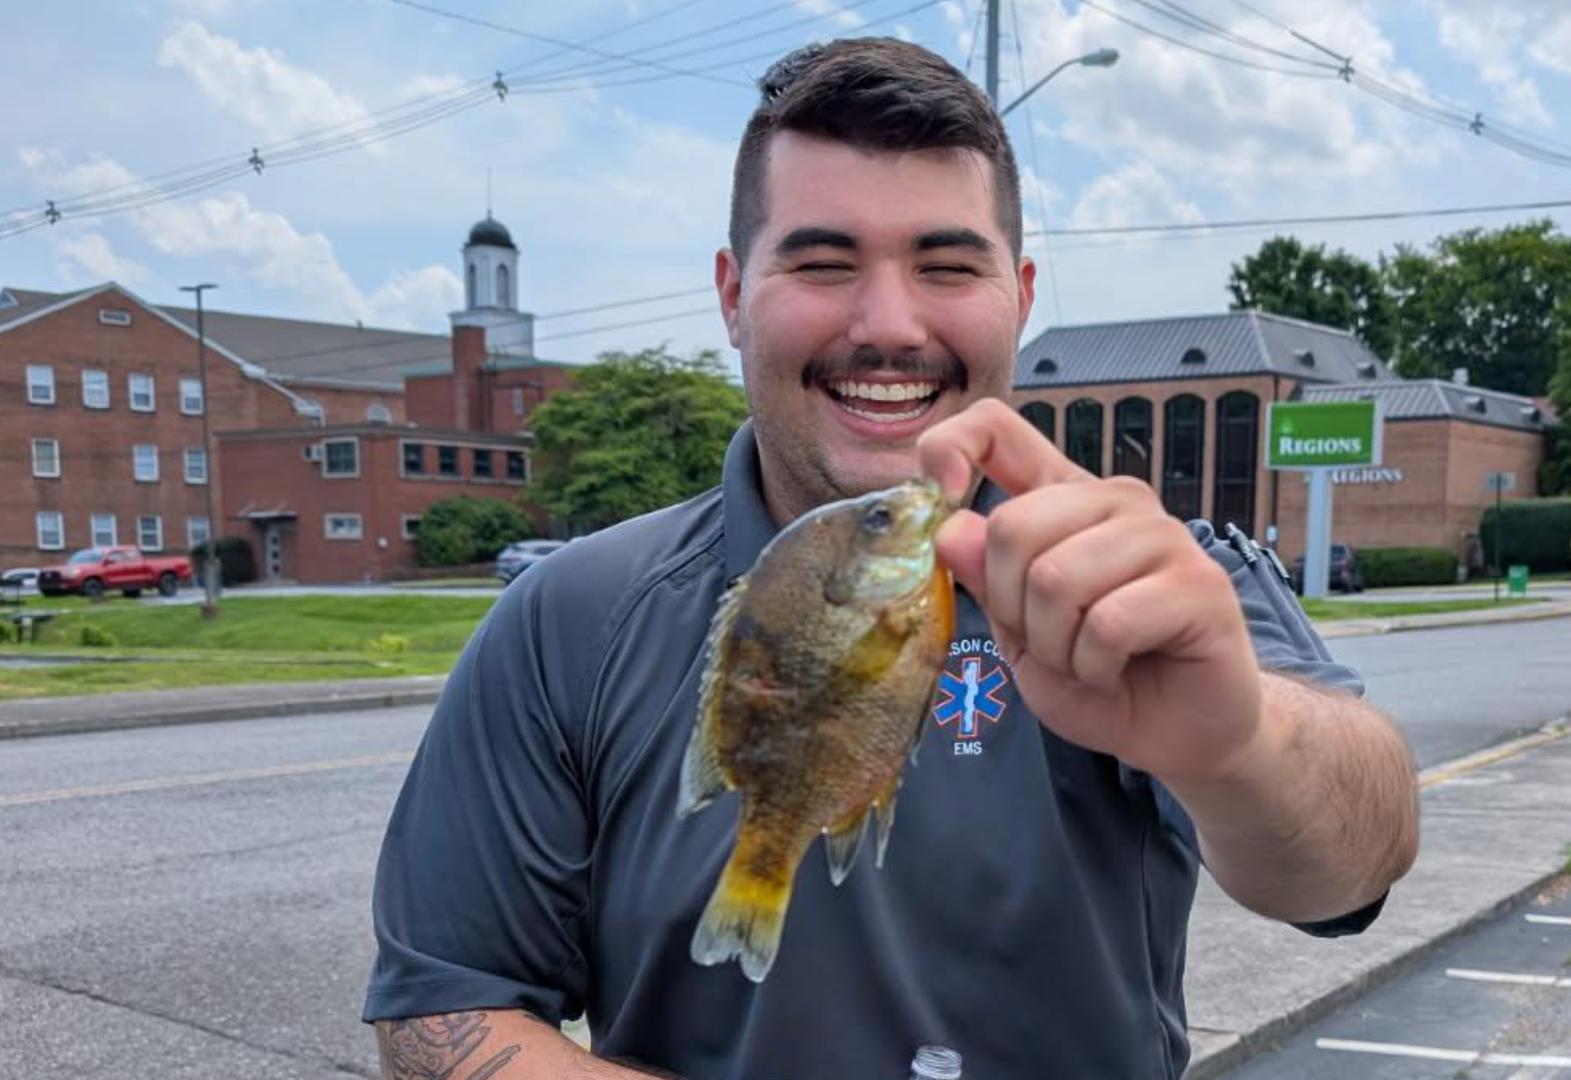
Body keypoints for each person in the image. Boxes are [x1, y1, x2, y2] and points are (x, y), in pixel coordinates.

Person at [364, 36, 1418, 1080]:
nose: (888, 323)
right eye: (822, 263)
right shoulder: (569, 619)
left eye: (948, 265)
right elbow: (441, 1010)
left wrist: (1236, 742)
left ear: (1022, 292)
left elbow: (1356, 866)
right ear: (733, 294)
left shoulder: (1160, 585)